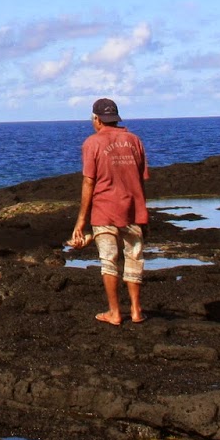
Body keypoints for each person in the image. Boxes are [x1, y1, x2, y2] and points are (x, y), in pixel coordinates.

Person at [69, 97, 149, 326]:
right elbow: (141, 180)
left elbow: (88, 181)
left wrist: (81, 222)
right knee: (134, 259)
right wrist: (144, 214)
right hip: (133, 210)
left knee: (109, 262)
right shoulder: (134, 140)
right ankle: (136, 310)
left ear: (96, 119)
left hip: (104, 210)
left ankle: (115, 313)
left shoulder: (92, 143)